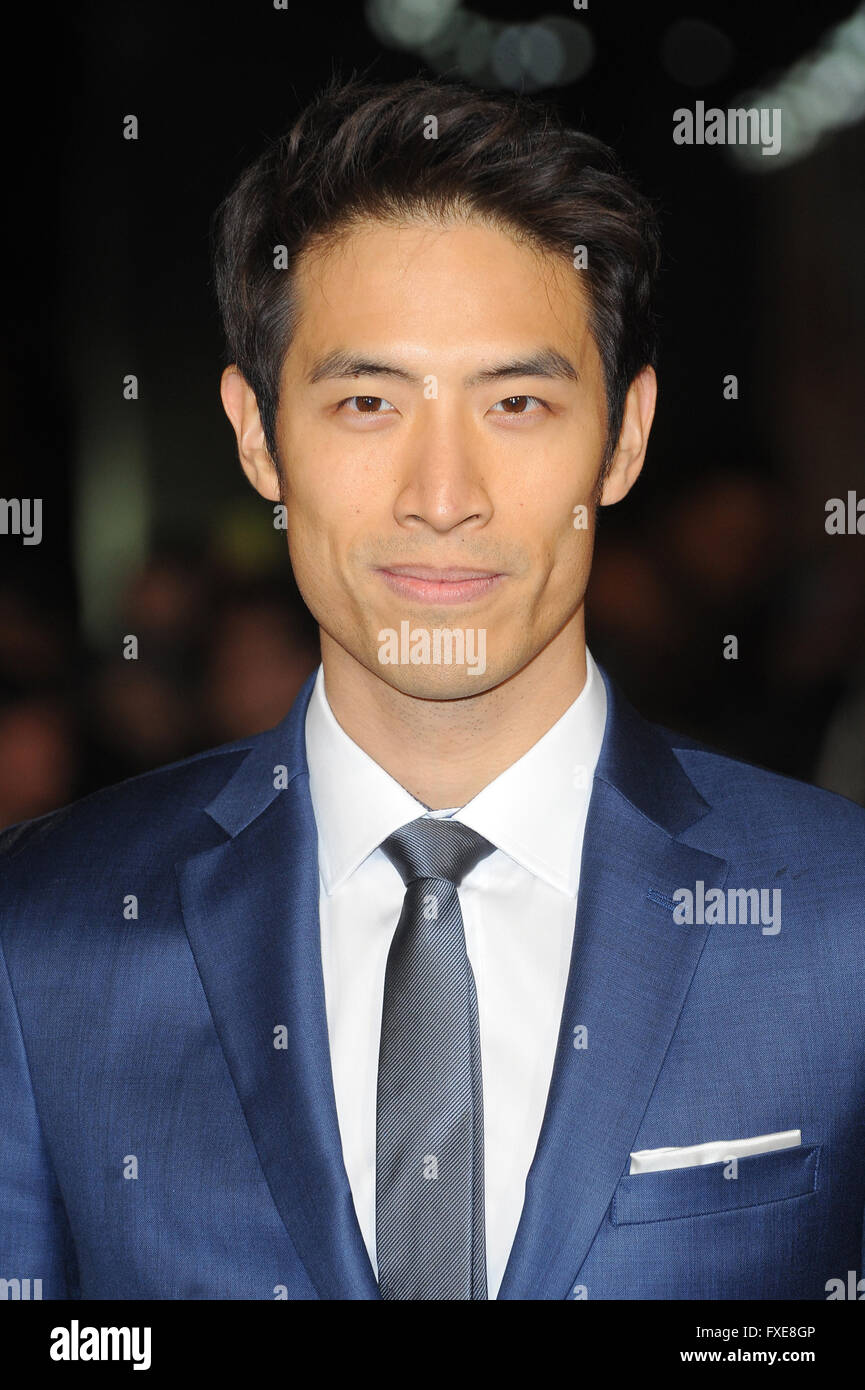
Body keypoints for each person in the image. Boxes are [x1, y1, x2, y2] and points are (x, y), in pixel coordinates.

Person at [2, 76, 863, 1302]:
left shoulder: (838, 922)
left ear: (623, 436)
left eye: (516, 403)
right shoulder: (42, 940)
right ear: (257, 436)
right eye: (366, 403)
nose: (442, 492)